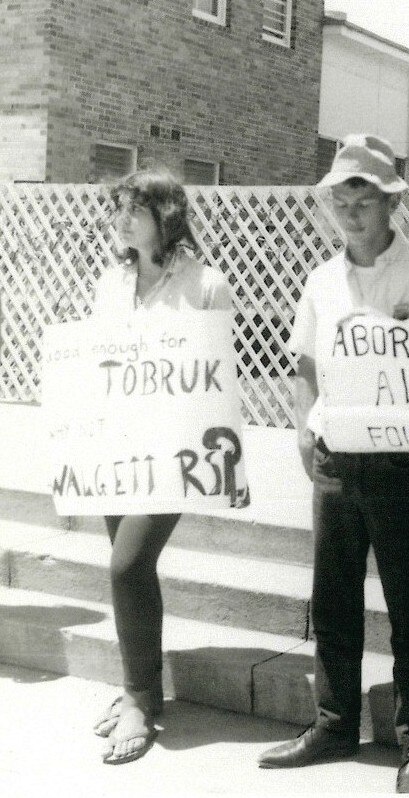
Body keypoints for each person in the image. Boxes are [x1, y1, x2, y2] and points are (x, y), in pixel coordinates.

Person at [257, 134, 409, 793]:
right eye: (340, 201)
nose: (350, 213)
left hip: (400, 464)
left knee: (408, 608)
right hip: (335, 461)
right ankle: (333, 724)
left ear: (390, 203)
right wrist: (303, 429)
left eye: (364, 200)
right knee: (333, 600)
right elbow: (305, 365)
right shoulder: (321, 280)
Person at [90, 170, 233, 765]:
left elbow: (216, 377)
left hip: (172, 452)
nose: (121, 220)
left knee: (127, 564)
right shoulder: (110, 282)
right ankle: (140, 691)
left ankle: (138, 702)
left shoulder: (206, 284)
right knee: (133, 572)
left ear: (166, 217)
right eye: (118, 209)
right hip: (116, 449)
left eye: (135, 210)